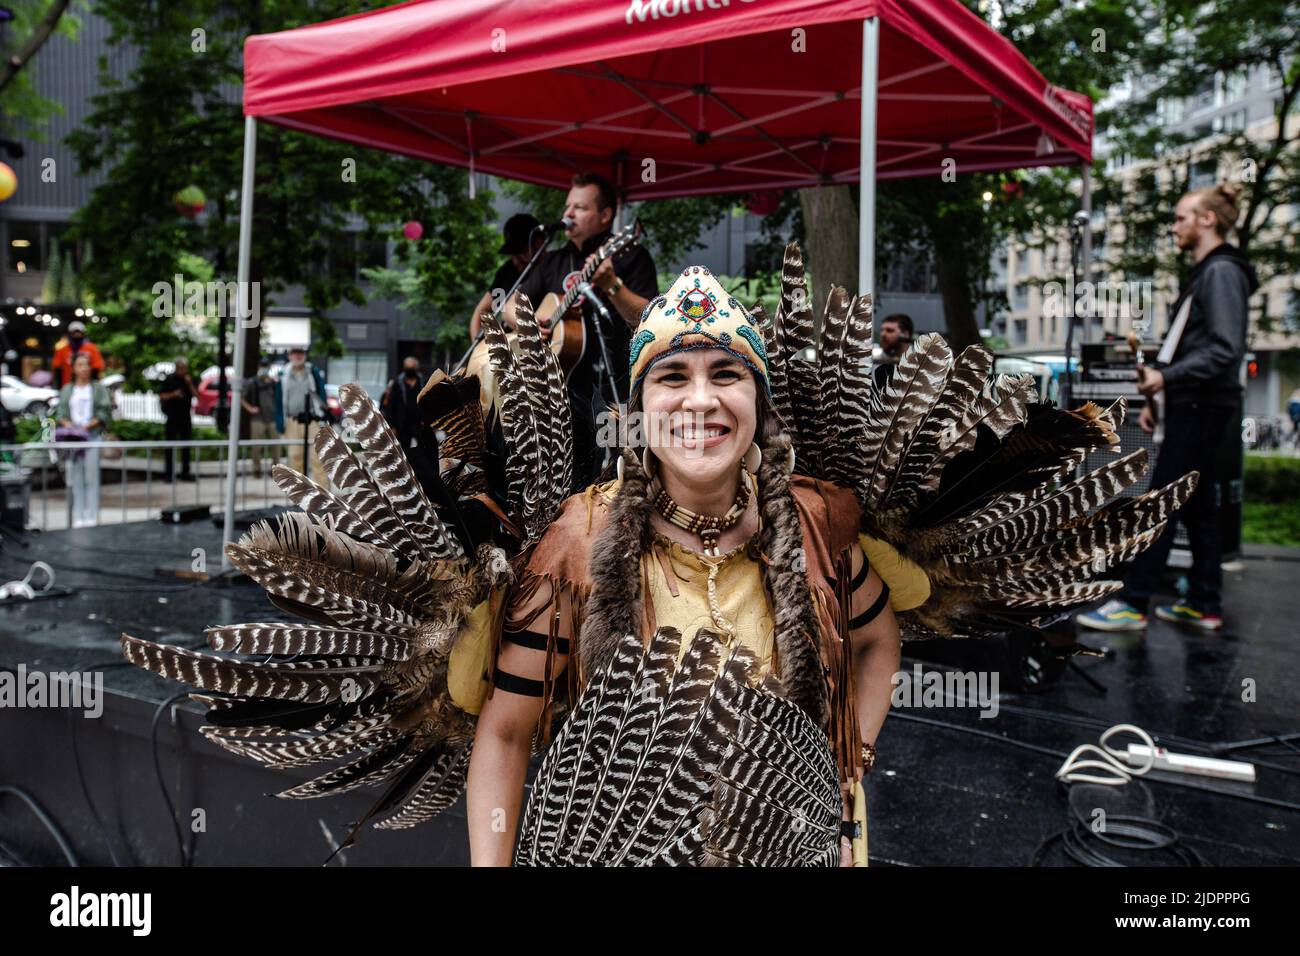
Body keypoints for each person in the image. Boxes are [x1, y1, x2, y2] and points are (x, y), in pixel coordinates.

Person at [1079, 182, 1258, 633]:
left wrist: (1167, 378)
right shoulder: (1207, 273)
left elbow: (1224, 349)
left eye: (1181, 217)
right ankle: (1204, 603)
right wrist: (1162, 396)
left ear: (1207, 219)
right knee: (1199, 506)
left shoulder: (1220, 272)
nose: (1174, 226)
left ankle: (1133, 603)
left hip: (1201, 404)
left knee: (1162, 501)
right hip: (1195, 403)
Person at [511, 172, 658, 489]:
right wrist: (527, 322)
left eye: (579, 207)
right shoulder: (552, 261)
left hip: (616, 389)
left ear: (605, 215)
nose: (567, 214)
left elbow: (650, 317)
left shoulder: (630, 256)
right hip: (558, 394)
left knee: (619, 474)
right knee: (560, 480)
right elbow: (509, 303)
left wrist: (613, 286)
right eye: (568, 206)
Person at [56, 352, 112, 528]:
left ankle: (91, 514)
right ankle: (79, 514)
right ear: (73, 368)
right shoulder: (67, 389)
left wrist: (86, 427)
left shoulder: (97, 388)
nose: (84, 368)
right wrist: (71, 426)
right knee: (76, 477)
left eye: (86, 364)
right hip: (73, 439)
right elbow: (61, 413)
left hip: (91, 437)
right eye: (80, 365)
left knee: (91, 477)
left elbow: (104, 412)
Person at [469, 213, 546, 340]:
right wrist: (476, 349)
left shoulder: (552, 268)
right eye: (512, 253)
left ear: (539, 243)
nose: (516, 260)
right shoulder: (507, 272)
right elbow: (482, 311)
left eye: (523, 252)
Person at [274, 346, 328, 485]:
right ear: (289, 356)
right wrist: (280, 422)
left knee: (317, 457)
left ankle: (324, 494)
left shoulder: (313, 372)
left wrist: (324, 415)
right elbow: (278, 401)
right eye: (294, 353)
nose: (297, 356)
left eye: (300, 353)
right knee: (295, 457)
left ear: (304, 355)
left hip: (312, 420)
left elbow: (321, 394)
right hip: (292, 421)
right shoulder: (283, 375)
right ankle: (300, 493)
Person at [158, 357, 198, 482]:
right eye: (180, 368)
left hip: (185, 417)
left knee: (186, 446)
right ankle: (169, 474)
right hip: (172, 416)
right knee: (170, 446)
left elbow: (197, 395)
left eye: (184, 368)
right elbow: (161, 396)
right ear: (176, 368)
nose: (182, 370)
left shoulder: (189, 379)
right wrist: (173, 395)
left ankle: (185, 472)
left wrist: (189, 383)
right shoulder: (169, 379)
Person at [242, 358, 280, 478]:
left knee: (276, 446)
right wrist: (250, 409)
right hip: (257, 418)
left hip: (272, 418)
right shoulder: (252, 382)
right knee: (256, 447)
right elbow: (241, 398)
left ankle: (275, 471)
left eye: (266, 366)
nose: (264, 368)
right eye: (262, 366)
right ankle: (256, 470)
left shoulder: (273, 383)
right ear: (259, 367)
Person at [381, 356, 426, 450]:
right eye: (408, 368)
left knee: (424, 449)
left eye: (412, 368)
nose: (410, 370)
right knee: (405, 450)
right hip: (403, 424)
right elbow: (391, 406)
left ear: (416, 368)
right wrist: (392, 425)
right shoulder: (397, 383)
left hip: (420, 423)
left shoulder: (423, 382)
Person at [51, 321, 106, 386]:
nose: (76, 334)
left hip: (87, 386)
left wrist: (94, 385)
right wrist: (58, 386)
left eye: (79, 332)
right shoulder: (62, 350)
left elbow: (97, 368)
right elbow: (57, 369)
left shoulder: (92, 348)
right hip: (67, 385)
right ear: (69, 334)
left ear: (83, 333)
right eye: (74, 332)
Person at [873, 313, 914, 389]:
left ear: (905, 334)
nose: (883, 334)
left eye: (889, 330)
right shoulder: (876, 361)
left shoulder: (920, 363)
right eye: (882, 330)